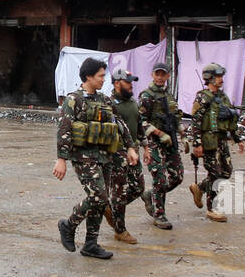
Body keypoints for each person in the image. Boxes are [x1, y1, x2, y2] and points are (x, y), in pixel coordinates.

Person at [54, 57, 136, 259]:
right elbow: (64, 129)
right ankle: (69, 224)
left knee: (100, 202)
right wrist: (61, 159)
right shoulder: (74, 100)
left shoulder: (104, 100)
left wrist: (131, 147)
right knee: (98, 197)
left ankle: (91, 243)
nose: (103, 79)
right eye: (100, 76)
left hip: (104, 157)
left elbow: (120, 125)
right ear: (88, 76)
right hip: (84, 157)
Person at [189, 63, 244, 222]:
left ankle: (200, 188)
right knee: (216, 174)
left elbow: (230, 118)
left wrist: (237, 138)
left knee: (226, 172)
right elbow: (196, 121)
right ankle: (212, 208)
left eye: (221, 77)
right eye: (218, 77)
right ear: (210, 78)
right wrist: (197, 143)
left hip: (221, 141)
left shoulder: (223, 97)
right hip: (208, 142)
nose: (221, 80)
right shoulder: (203, 97)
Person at [138, 60, 184, 229]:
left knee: (177, 176)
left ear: (168, 76)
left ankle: (150, 195)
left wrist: (182, 134)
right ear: (152, 75)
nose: (159, 77)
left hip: (170, 142)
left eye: (162, 74)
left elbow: (176, 118)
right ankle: (159, 215)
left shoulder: (169, 96)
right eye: (157, 74)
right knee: (160, 178)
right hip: (154, 143)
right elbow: (140, 121)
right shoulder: (146, 96)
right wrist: (158, 133)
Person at [104, 67, 145, 244]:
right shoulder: (109, 104)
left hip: (133, 152)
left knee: (138, 187)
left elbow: (139, 126)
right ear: (117, 83)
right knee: (119, 192)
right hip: (116, 154)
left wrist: (146, 147)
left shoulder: (133, 103)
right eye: (127, 83)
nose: (130, 86)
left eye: (131, 83)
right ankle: (120, 230)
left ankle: (112, 209)